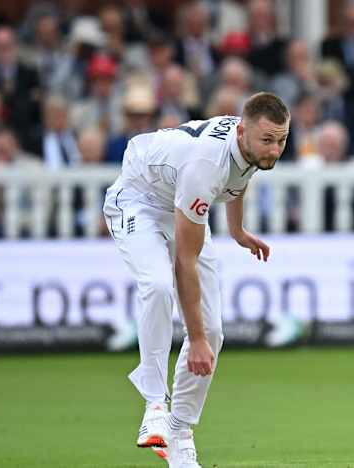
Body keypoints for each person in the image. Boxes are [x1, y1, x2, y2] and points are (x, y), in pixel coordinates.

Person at [102, 92, 290, 468]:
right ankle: (154, 403)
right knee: (157, 286)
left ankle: (179, 432)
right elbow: (183, 263)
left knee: (215, 332)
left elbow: (238, 177)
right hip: (139, 198)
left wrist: (237, 230)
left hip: (180, 199)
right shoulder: (207, 162)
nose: (274, 150)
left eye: (282, 140)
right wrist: (196, 339)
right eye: (267, 140)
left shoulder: (251, 146)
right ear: (242, 132)